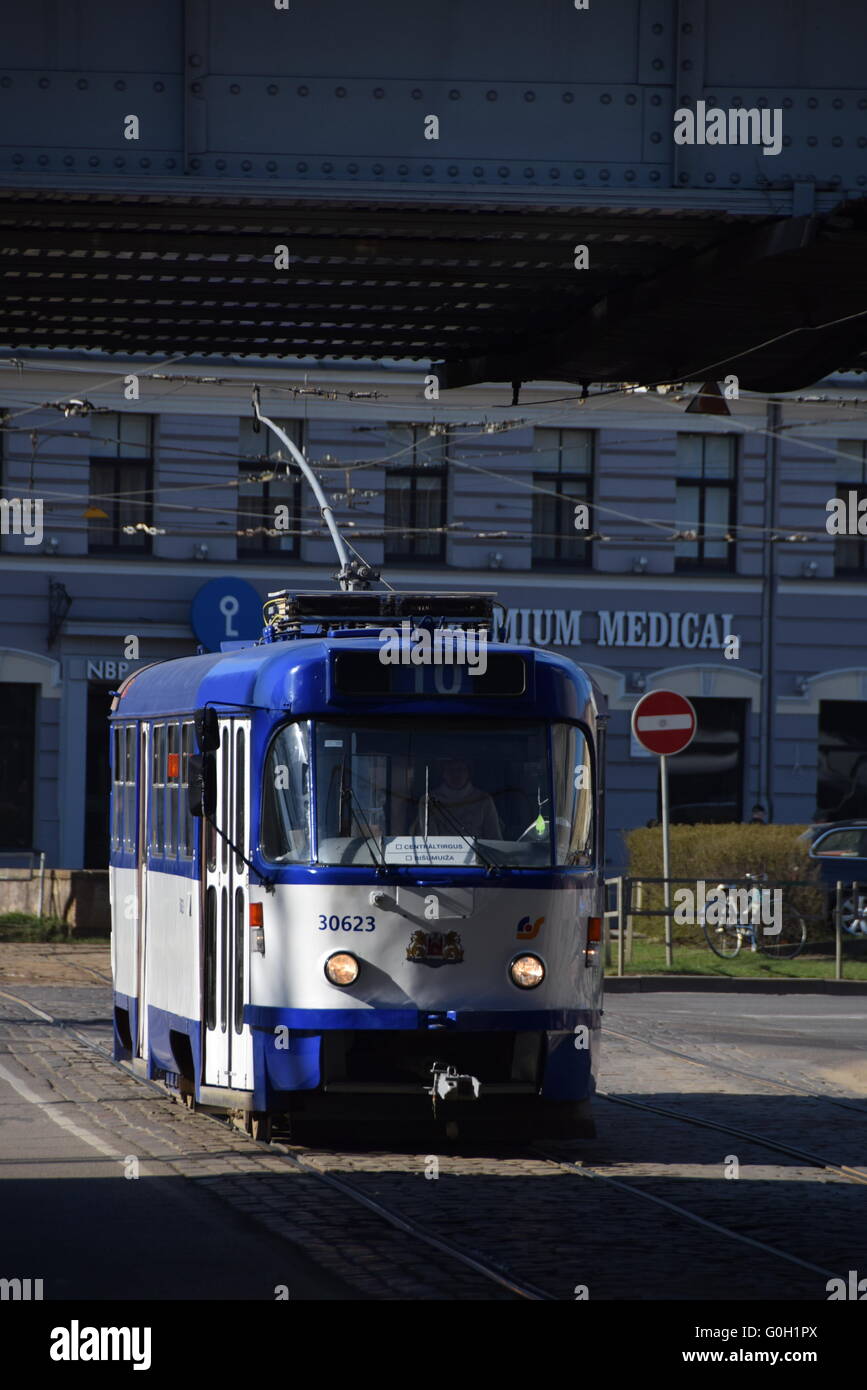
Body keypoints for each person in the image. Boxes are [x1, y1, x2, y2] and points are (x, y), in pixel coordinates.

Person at [414, 756, 502, 839]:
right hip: (440, 854)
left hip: (478, 854)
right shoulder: (428, 800)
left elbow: (494, 839)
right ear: (443, 773)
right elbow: (427, 840)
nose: (456, 774)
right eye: (450, 770)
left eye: (460, 769)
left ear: (468, 772)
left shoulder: (484, 800)